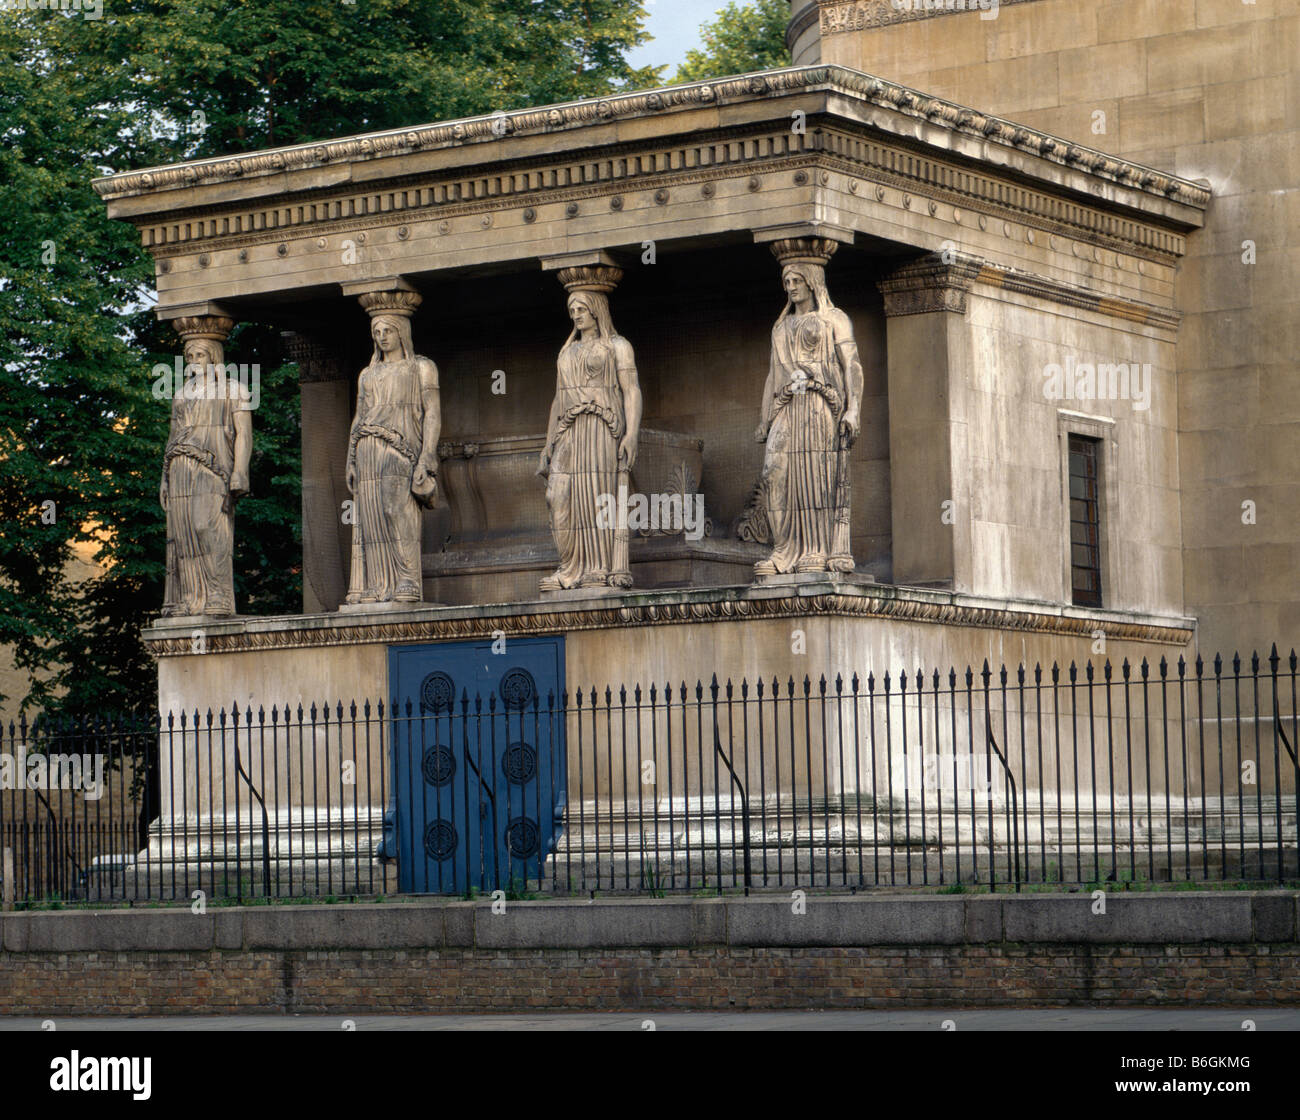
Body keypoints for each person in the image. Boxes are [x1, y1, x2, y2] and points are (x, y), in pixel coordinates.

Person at [754, 259, 864, 576]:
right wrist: (765, 418)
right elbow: (773, 374)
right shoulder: (781, 326)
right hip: (787, 403)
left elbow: (851, 365)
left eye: (796, 282)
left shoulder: (833, 319)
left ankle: (815, 548)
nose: (791, 288)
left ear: (812, 282)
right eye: (787, 283)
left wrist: (853, 407)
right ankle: (783, 549)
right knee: (774, 471)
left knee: (815, 474)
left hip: (819, 403)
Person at [537, 288, 642, 591]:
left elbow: (631, 389)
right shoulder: (566, 352)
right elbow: (559, 399)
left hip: (601, 428)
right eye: (572, 312)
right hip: (569, 430)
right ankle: (570, 566)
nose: (576, 316)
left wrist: (632, 434)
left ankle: (597, 567)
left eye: (581, 310)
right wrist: (548, 443)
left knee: (596, 496)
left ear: (595, 309)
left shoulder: (617, 346)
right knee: (558, 495)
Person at [344, 314, 441, 604]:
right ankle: (377, 584)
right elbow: (359, 417)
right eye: (377, 332)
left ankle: (407, 578)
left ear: (401, 333)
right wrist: (350, 459)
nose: (382, 336)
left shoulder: (421, 367)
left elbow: (432, 413)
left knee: (395, 509)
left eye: (388, 330)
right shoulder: (367, 374)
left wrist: (428, 456)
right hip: (366, 449)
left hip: (401, 449)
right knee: (370, 516)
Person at [160, 337, 252, 617]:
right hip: (179, 468)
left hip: (214, 468)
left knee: (207, 528)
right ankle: (189, 600)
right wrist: (163, 478)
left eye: (200, 355)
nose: (194, 361)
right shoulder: (181, 394)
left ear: (213, 357)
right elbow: (172, 437)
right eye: (190, 357)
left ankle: (217, 595)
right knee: (182, 534)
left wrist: (240, 471)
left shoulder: (234, 389)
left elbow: (244, 434)